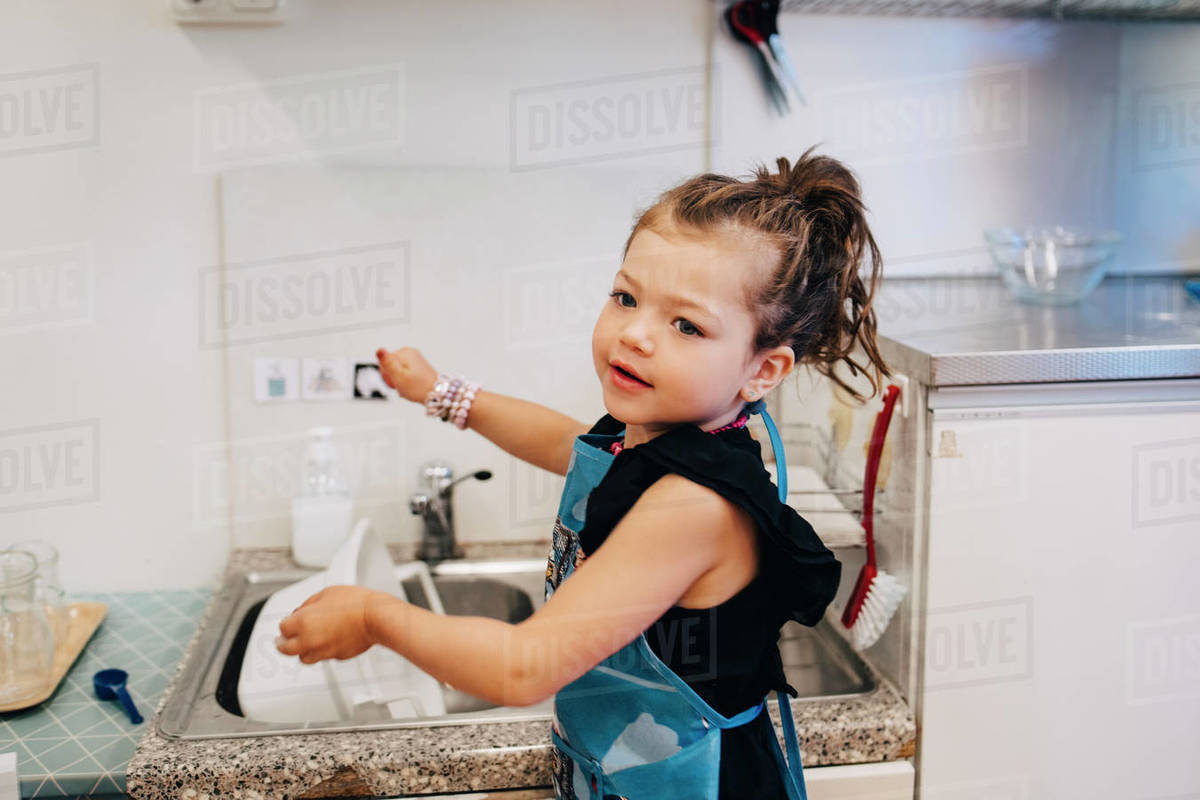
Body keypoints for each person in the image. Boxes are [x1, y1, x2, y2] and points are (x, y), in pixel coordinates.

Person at [276, 147, 892, 799]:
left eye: (686, 324)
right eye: (627, 297)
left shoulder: (693, 506)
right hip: (618, 766)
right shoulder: (654, 438)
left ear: (762, 369)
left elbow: (523, 669)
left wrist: (376, 619)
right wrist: (442, 393)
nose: (635, 334)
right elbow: (563, 443)